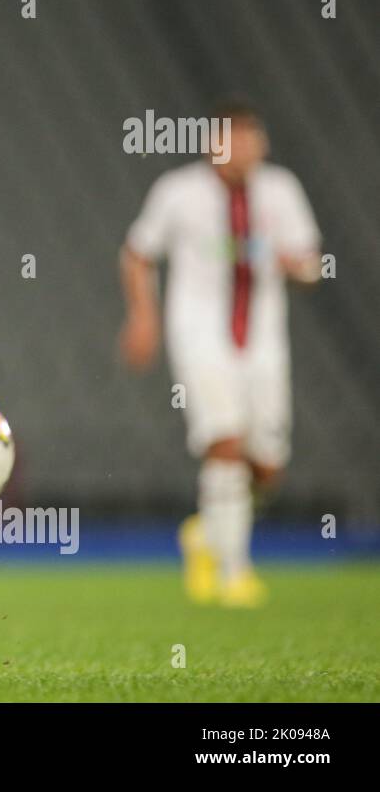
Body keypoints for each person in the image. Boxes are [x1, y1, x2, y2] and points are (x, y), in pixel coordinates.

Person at [119, 102, 321, 607]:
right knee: (224, 442)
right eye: (232, 140)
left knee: (267, 464)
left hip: (263, 340)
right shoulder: (178, 191)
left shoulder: (281, 190)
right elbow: (138, 253)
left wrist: (298, 267)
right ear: (212, 143)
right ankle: (235, 571)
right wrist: (144, 317)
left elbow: (312, 265)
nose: (242, 151)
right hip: (201, 332)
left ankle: (207, 532)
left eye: (251, 141)